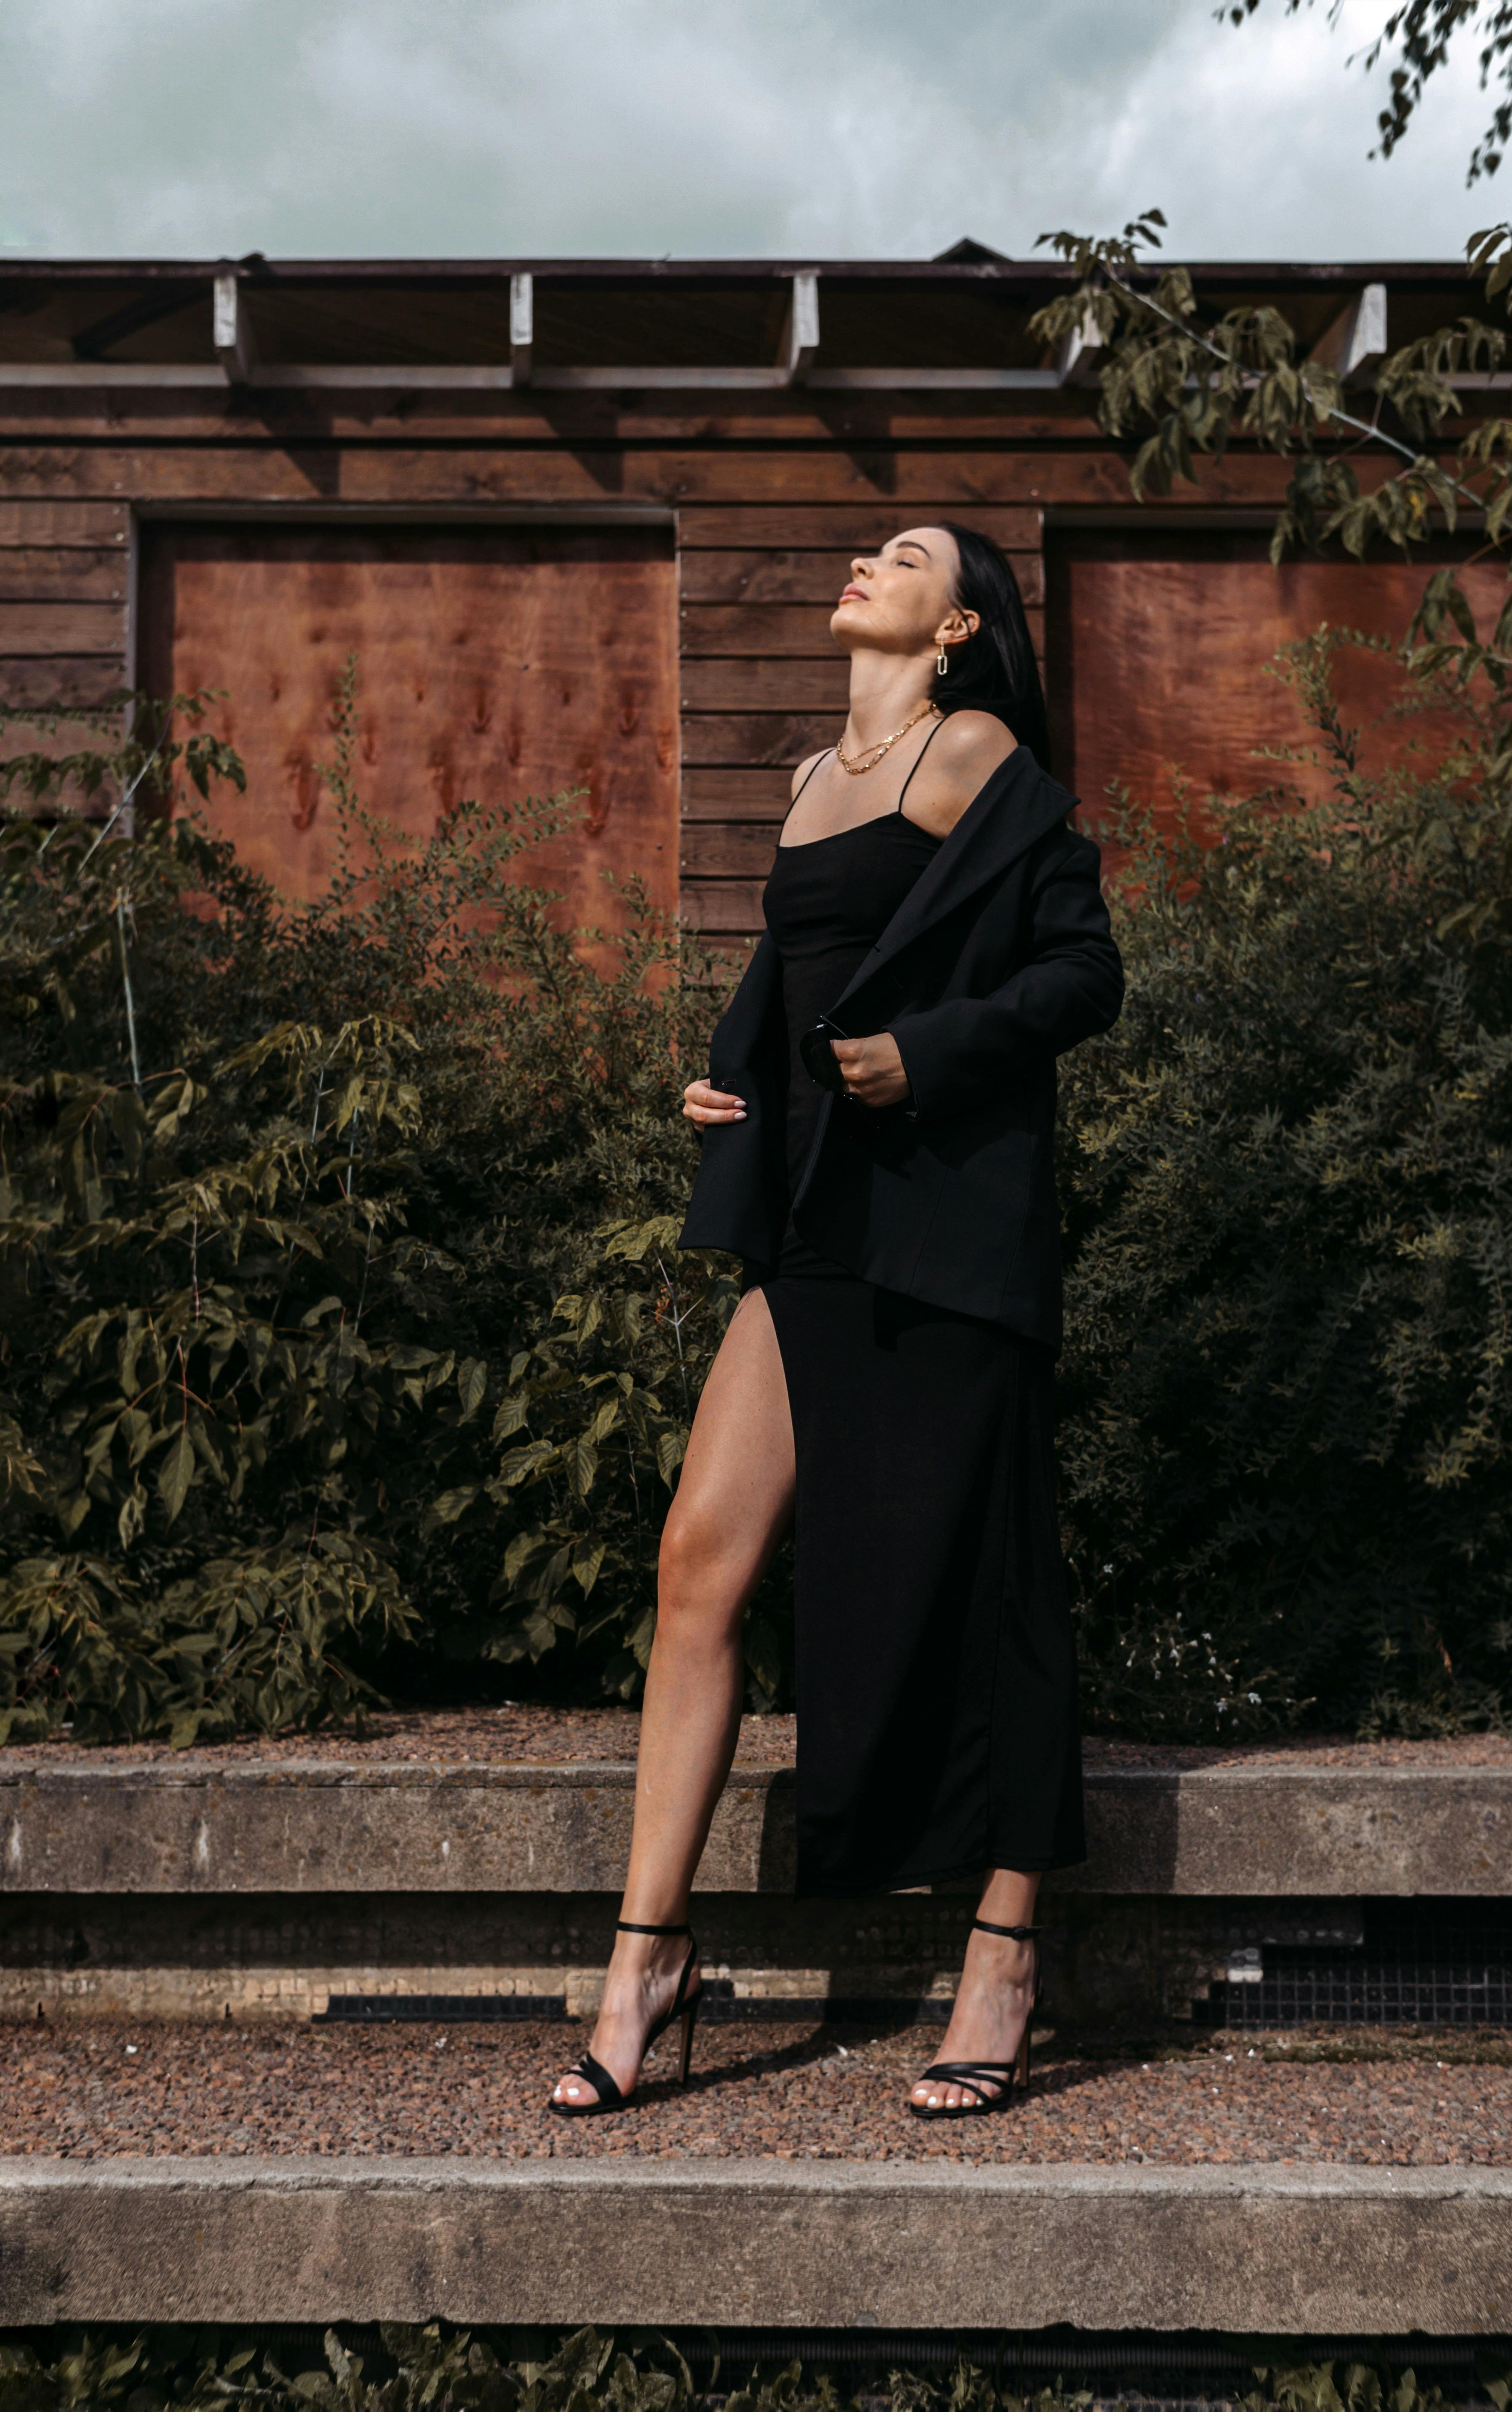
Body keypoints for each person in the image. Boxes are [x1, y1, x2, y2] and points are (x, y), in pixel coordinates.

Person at [550, 522, 1123, 2121]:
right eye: (877, 548)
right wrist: (733, 1075)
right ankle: (645, 1961)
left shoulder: (979, 750)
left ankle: (1002, 1955)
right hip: (810, 1218)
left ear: (956, 625)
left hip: (950, 1225)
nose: (873, 562)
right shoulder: (811, 776)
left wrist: (925, 1056)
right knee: (697, 1560)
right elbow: (796, 967)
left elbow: (1086, 973)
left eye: (910, 555)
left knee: (987, 1573)